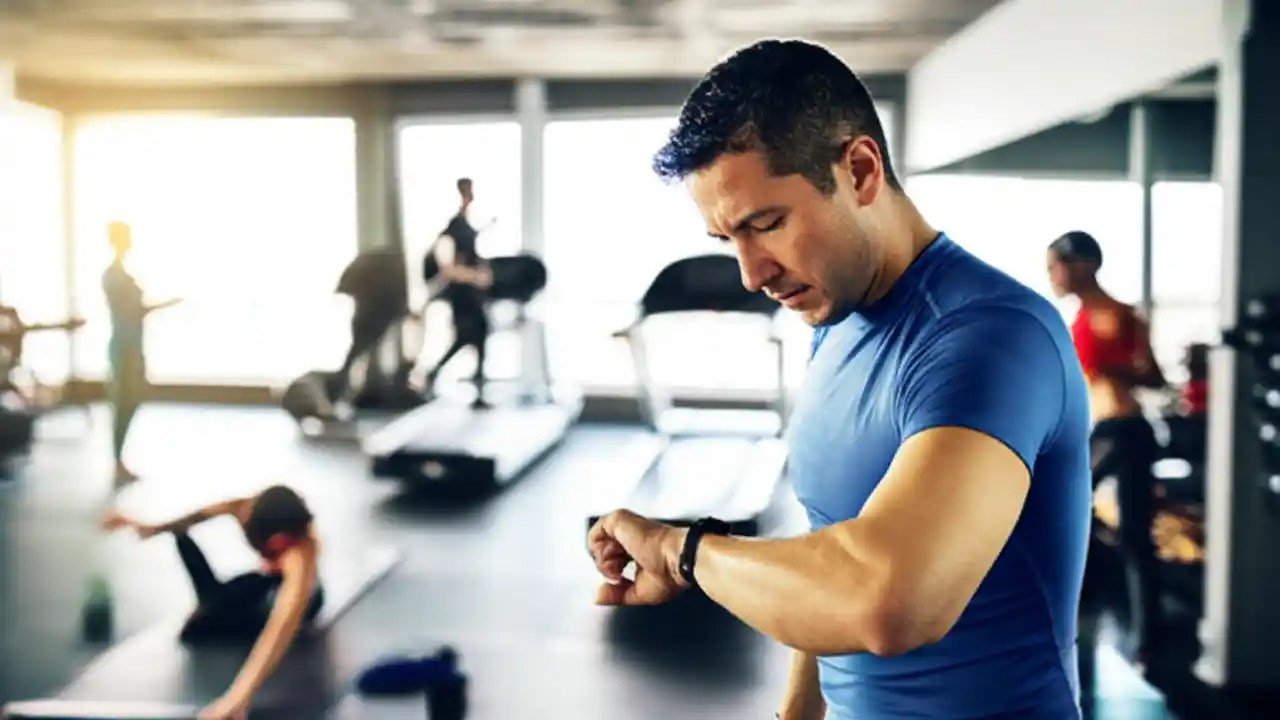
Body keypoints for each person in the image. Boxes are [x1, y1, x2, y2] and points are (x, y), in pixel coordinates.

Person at [586, 39, 1093, 719]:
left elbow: (886, 601)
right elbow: (830, 551)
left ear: (859, 170)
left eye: (767, 224)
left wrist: (683, 550)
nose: (750, 274)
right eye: (728, 240)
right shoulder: (836, 321)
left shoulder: (992, 336)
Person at [101, 484, 324, 720]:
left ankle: (219, 607)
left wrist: (236, 699)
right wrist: (143, 526)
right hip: (261, 586)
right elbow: (195, 516)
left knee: (204, 623)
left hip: (297, 603)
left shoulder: (300, 557)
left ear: (279, 542)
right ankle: (214, 602)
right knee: (181, 536)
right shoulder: (245, 507)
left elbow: (281, 626)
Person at [1047, 230, 1167, 663]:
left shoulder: (1119, 315)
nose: (1052, 276)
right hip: (1104, 427)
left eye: (1055, 266)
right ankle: (1098, 615)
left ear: (1082, 265)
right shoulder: (1080, 319)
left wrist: (1116, 368)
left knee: (1116, 527)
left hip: (1124, 428)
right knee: (1096, 521)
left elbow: (1155, 377)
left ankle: (1144, 637)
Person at [102, 221, 181, 483]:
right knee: (124, 403)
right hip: (124, 348)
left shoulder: (120, 275)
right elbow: (131, 311)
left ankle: (118, 460)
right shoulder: (114, 276)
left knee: (131, 401)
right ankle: (117, 461)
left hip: (132, 346)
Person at [420, 178, 495, 409]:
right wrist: (474, 276)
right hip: (461, 295)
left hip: (471, 294)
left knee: (474, 338)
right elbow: (448, 268)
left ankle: (474, 388)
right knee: (468, 336)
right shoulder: (453, 230)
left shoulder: (466, 226)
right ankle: (433, 375)